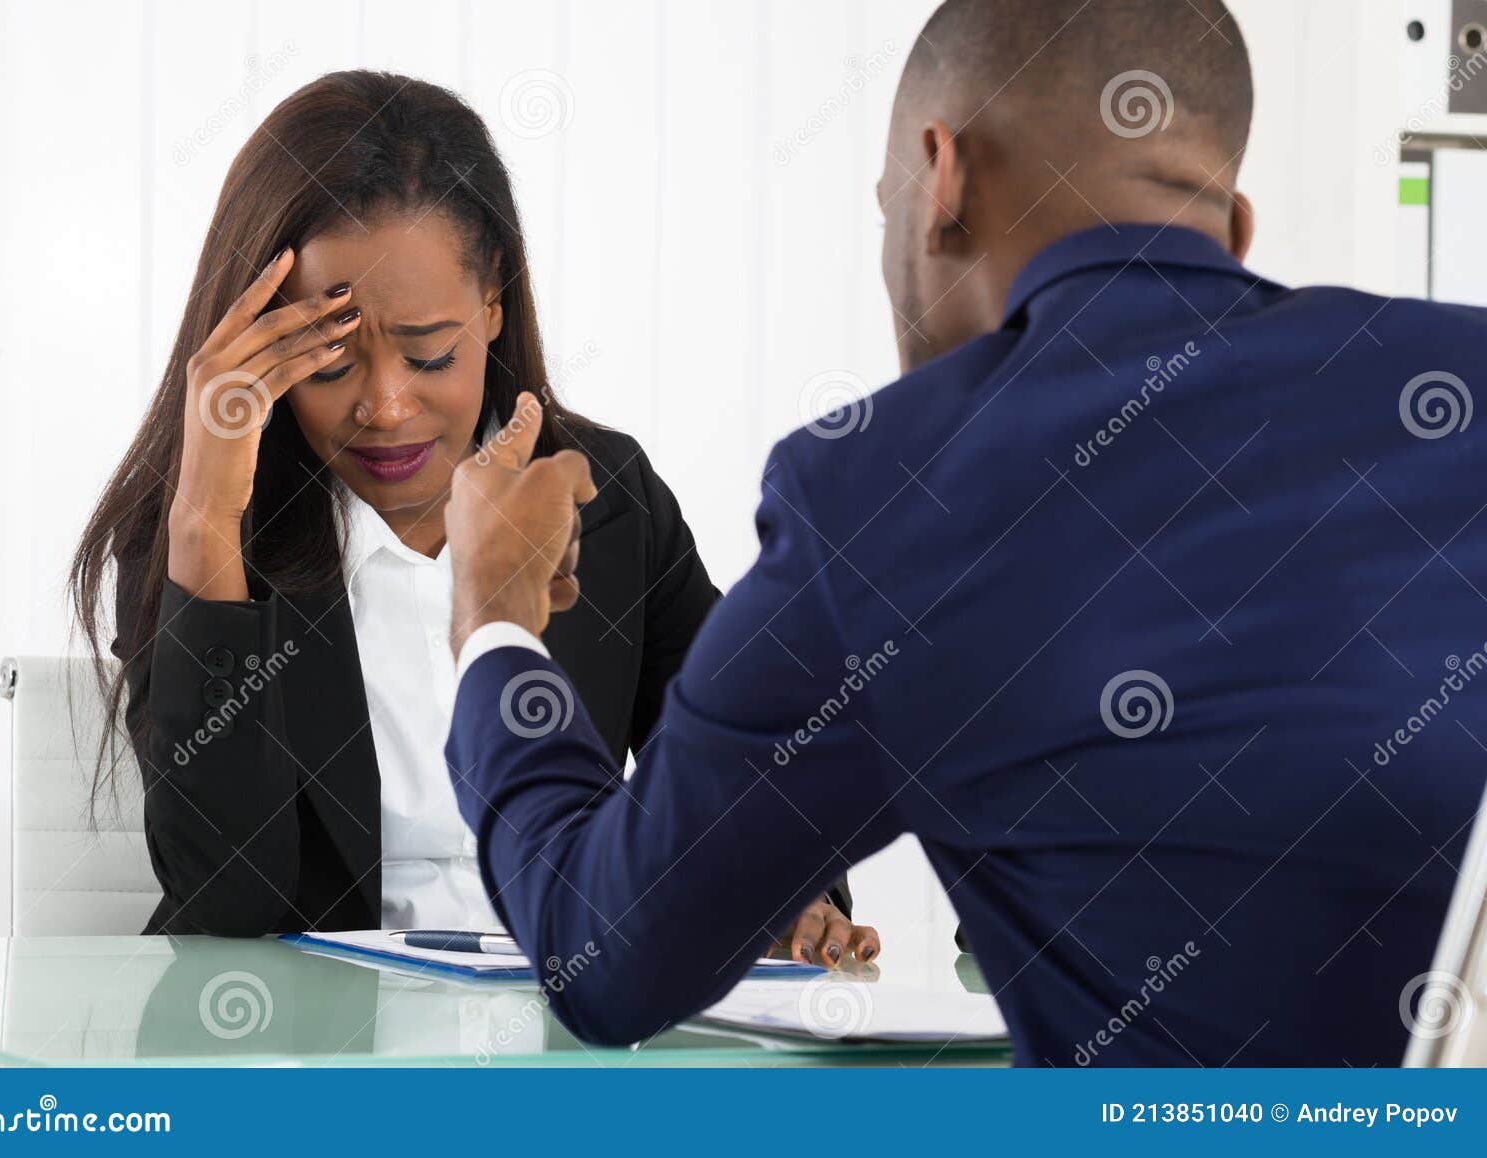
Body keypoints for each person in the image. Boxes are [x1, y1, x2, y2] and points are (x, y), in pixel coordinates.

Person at [440, 0, 1487, 1065]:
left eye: (886, 197)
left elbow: (601, 951)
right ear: (1232, 234)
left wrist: (494, 620)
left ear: (942, 176)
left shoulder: (894, 489)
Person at [69, 71, 871, 962]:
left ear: (492, 305)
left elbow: (743, 754)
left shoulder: (604, 494)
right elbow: (229, 908)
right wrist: (207, 518)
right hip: (315, 1060)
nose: (386, 406)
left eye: (431, 354)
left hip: (557, 1040)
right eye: (328, 364)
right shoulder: (197, 535)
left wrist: (789, 893)